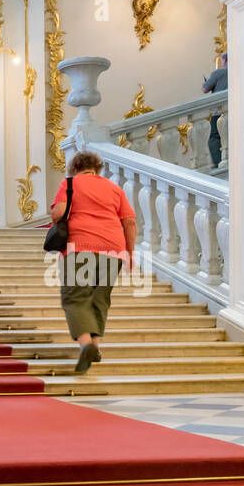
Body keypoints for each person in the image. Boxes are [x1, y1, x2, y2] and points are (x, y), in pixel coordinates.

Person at [49, 151, 137, 374]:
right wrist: (130, 253)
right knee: (100, 298)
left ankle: (86, 344)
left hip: (79, 248)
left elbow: (58, 213)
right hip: (113, 250)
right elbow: (130, 221)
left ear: (75, 167)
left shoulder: (70, 184)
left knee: (75, 297)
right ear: (97, 168)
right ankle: (95, 347)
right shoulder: (114, 188)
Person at [201, 52, 228, 168]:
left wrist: (206, 82)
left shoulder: (218, 73)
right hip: (235, 111)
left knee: (214, 137)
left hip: (219, 112)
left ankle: (218, 163)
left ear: (225, 61)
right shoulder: (239, 72)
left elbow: (205, 89)